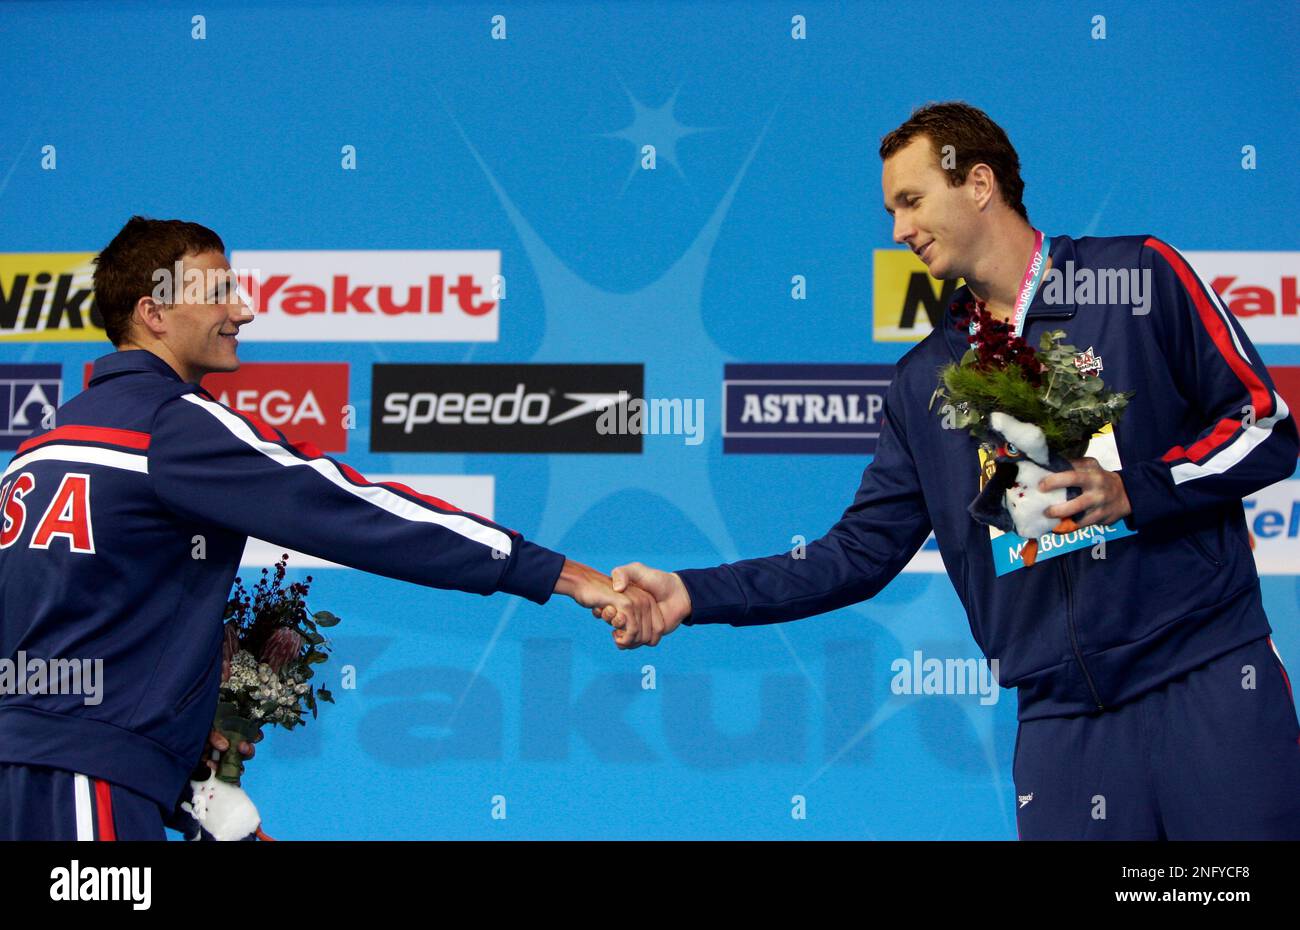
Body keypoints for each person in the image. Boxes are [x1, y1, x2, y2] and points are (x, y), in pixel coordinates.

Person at [597, 102, 1300, 840]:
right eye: (891, 210)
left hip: (1207, 676)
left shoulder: (1135, 278)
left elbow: (1265, 426)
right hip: (1062, 720)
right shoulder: (925, 378)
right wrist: (692, 593)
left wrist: (1136, 490)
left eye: (911, 200)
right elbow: (855, 555)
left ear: (979, 184)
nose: (898, 229)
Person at [0, 216, 662, 840]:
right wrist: (563, 575)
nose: (243, 309)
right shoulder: (172, 424)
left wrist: (178, 726)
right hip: (85, 780)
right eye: (218, 292)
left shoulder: (40, 446)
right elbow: (354, 512)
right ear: (154, 313)